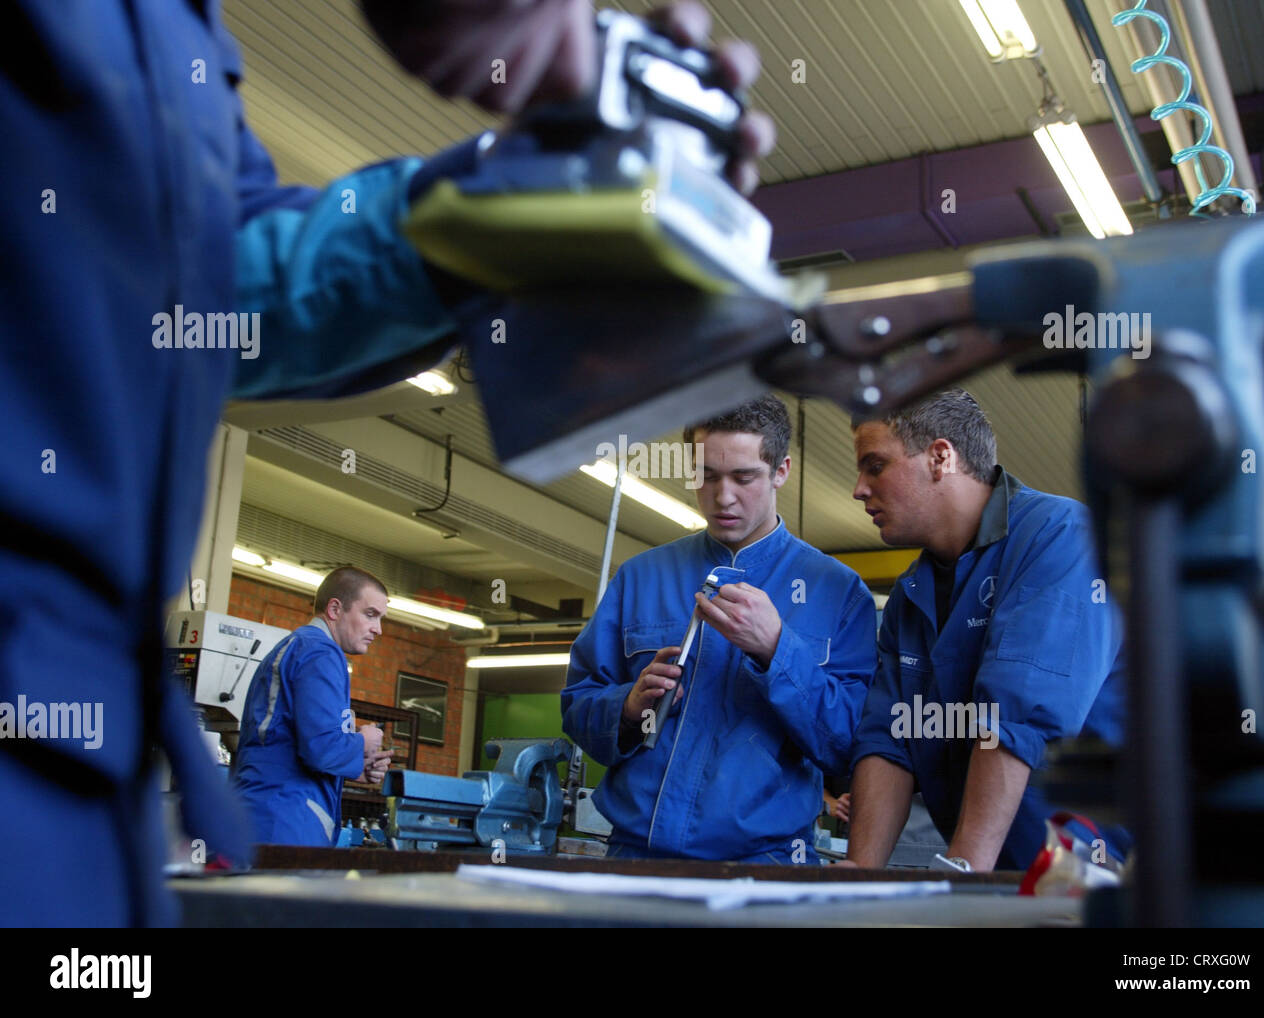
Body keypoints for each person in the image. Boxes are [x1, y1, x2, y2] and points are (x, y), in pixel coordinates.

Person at [1, 0, 772, 924]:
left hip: (73, 743)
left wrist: (499, 213)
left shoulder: (177, 31)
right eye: (370, 612)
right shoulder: (315, 654)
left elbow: (223, 282)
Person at [562, 396, 877, 863]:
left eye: (743, 477)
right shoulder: (640, 578)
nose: (723, 496)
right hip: (636, 862)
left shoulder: (839, 593)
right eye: (706, 475)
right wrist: (626, 709)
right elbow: (577, 705)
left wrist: (777, 650)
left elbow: (848, 743)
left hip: (767, 871)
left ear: (781, 471)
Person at [844, 389, 1129, 871]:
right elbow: (889, 740)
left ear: (940, 458)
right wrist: (859, 874)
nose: (858, 489)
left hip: (1087, 872)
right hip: (991, 873)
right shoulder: (910, 595)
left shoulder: (1060, 536)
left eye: (875, 466)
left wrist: (964, 873)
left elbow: (1017, 715)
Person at [231, 567, 394, 846]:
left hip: (262, 813)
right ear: (334, 609)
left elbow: (294, 741)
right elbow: (321, 748)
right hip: (285, 820)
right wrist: (362, 741)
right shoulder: (321, 653)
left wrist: (356, 767)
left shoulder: (296, 646)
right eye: (370, 614)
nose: (378, 629)